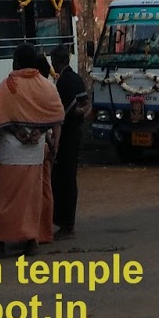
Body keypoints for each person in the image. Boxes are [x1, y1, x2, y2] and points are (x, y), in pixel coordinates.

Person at [0, 45, 64, 258]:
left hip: (11, 152)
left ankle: (0, 243)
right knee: (31, 199)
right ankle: (31, 242)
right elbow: (56, 114)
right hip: (34, 152)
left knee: (3, 198)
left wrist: (18, 132)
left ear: (16, 62)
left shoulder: (8, 85)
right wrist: (39, 131)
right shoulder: (45, 86)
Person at [51, 43, 87, 240]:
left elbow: (63, 111)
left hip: (66, 134)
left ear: (57, 62)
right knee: (68, 178)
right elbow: (86, 105)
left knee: (64, 179)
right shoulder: (76, 79)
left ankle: (66, 224)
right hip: (75, 132)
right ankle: (67, 222)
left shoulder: (63, 82)